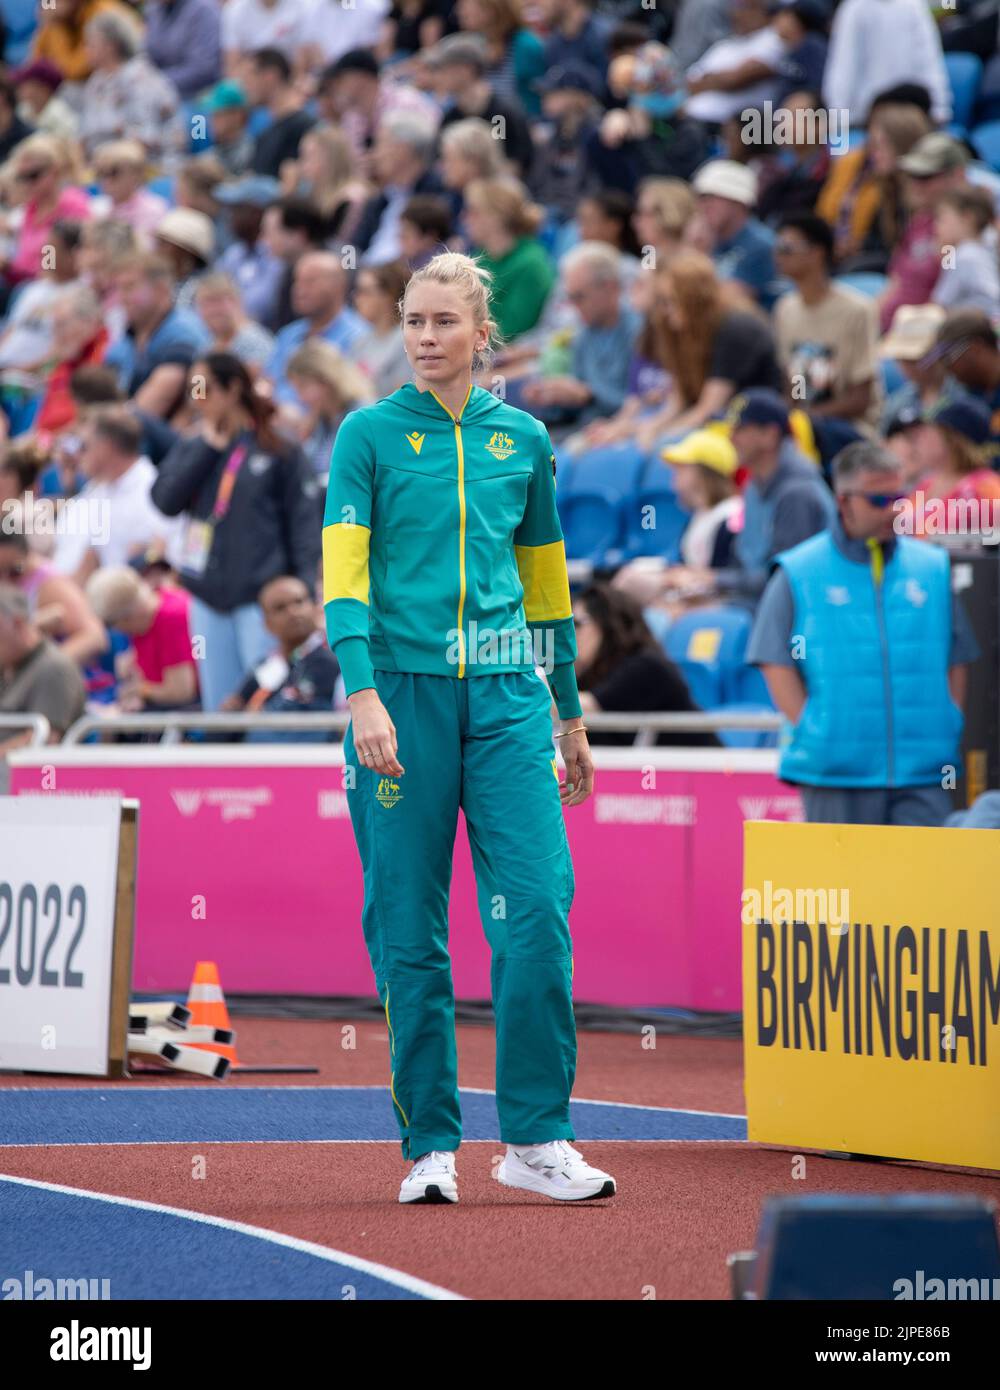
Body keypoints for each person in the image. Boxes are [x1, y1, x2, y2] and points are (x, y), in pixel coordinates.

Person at [323, 249, 613, 1203]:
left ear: (483, 335)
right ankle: (431, 1146)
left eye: (446, 323)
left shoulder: (523, 439)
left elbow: (547, 588)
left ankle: (536, 1141)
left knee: (536, 912)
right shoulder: (365, 436)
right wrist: (362, 692)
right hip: (399, 699)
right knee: (408, 925)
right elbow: (344, 579)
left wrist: (568, 710)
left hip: (508, 700)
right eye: (413, 322)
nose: (426, 339)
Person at [748, 441, 976, 825]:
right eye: (878, 499)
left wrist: (948, 718)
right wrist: (813, 728)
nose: (892, 510)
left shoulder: (932, 567)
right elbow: (774, 659)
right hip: (835, 774)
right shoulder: (798, 570)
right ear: (844, 501)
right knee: (842, 887)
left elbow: (958, 654)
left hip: (923, 773)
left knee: (922, 885)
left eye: (899, 498)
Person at [150, 351, 321, 711]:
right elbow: (165, 500)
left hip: (261, 602)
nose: (197, 398)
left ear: (233, 389)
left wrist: (302, 592)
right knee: (220, 709)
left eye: (205, 388)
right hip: (208, 597)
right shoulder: (196, 444)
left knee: (262, 703)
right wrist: (209, 449)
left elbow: (304, 525)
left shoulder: (278, 448)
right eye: (191, 389)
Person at [574, 583, 721, 748]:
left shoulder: (646, 666)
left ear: (608, 624)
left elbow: (584, 708)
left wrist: (540, 691)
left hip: (701, 768)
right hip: (660, 769)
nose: (570, 634)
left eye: (577, 624)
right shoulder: (590, 673)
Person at [772, 212, 882, 433]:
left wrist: (803, 419)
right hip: (805, 428)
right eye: (777, 248)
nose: (778, 255)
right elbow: (794, 387)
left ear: (817, 253)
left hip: (849, 430)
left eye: (787, 248)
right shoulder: (785, 309)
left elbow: (861, 399)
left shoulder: (856, 310)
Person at [53, 405, 180, 582]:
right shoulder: (95, 490)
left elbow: (163, 561)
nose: (77, 455)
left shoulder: (153, 492)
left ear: (106, 446)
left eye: (83, 445)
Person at [521, 241, 638, 431]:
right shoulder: (584, 334)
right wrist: (553, 397)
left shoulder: (638, 332)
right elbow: (578, 406)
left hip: (621, 432)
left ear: (610, 288)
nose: (574, 306)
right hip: (584, 430)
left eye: (580, 297)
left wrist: (588, 394)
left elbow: (642, 403)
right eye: (570, 298)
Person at [221, 573, 342, 740]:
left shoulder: (335, 660)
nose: (292, 612)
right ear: (267, 624)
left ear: (315, 607)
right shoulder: (263, 667)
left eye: (299, 602)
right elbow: (230, 721)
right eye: (280, 608)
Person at [879, 133, 969, 334]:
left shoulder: (966, 229)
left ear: (957, 175)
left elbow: (948, 298)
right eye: (912, 176)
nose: (915, 185)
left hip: (929, 340)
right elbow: (895, 282)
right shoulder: (919, 222)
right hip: (892, 333)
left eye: (925, 177)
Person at [105, 253, 210, 418]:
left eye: (130, 287)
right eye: (119, 289)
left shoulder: (184, 332)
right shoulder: (125, 340)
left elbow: (147, 410)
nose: (122, 297)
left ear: (161, 289)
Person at [85, 564, 199, 710]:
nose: (119, 631)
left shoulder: (170, 619)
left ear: (127, 618)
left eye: (113, 624)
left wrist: (140, 690)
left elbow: (182, 691)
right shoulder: (149, 616)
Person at [78, 8, 185, 161]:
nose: (86, 50)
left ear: (111, 46)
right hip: (105, 166)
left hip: (148, 166)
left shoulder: (140, 79)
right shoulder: (95, 82)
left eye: (91, 43)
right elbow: (85, 135)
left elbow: (145, 140)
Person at [0, 512, 106, 666]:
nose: (5, 580)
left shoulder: (47, 584)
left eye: (15, 570)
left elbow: (95, 637)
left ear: (27, 556)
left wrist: (39, 672)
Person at [823, 0, 951, 126]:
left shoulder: (914, 6)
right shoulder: (854, 9)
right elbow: (843, 68)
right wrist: (838, 114)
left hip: (910, 112)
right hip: (864, 118)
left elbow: (929, 62)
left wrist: (939, 109)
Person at [426, 33, 535, 178]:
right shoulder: (451, 117)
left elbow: (512, 165)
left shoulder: (500, 114)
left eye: (444, 69)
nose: (438, 76)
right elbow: (438, 162)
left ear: (466, 70)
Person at [265, 251, 368, 405]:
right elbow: (269, 381)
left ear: (339, 285)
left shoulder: (360, 337)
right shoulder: (288, 334)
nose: (299, 290)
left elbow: (350, 397)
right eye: (297, 281)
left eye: (310, 281)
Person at [462, 177, 554, 341]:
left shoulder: (532, 264)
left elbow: (509, 331)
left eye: (473, 211)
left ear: (496, 217)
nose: (464, 217)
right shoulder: (480, 256)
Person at [0, 584, 86, 748]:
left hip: (31, 771)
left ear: (18, 624)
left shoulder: (53, 668)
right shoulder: (8, 664)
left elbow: (45, 739)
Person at [3, 134, 91, 290]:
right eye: (22, 177)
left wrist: (11, 268)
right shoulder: (31, 208)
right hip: (24, 284)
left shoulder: (72, 206)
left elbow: (54, 267)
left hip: (55, 289)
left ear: (55, 171)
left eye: (33, 175)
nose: (27, 183)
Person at [691, 160, 781, 311]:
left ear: (738, 201)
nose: (704, 205)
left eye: (712, 197)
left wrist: (698, 254)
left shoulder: (760, 244)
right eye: (701, 198)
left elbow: (727, 303)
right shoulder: (713, 239)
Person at [683, 0, 787, 127]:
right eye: (735, 7)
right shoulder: (723, 46)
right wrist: (726, 78)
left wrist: (709, 79)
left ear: (762, 10)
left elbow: (739, 78)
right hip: (693, 121)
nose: (736, 14)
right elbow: (690, 84)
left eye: (744, 7)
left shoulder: (773, 39)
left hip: (742, 129)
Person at [284, 338, 375, 475]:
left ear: (326, 380)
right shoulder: (322, 419)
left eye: (303, 387)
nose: (301, 398)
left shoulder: (363, 416)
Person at [909, 398, 1000, 527]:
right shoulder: (927, 484)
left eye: (928, 431)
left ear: (951, 439)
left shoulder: (986, 487)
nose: (918, 439)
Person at [213, 175, 285, 326]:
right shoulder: (235, 253)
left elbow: (258, 306)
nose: (231, 216)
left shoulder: (277, 256)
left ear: (258, 213)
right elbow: (211, 290)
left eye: (238, 209)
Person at [245, 47, 315, 180]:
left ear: (270, 76)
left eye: (252, 75)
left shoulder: (305, 127)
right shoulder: (266, 132)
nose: (246, 85)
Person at [932, 186, 1000, 319]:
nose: (936, 226)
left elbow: (940, 303)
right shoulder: (984, 247)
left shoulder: (963, 254)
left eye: (942, 219)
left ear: (967, 218)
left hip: (977, 328)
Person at [353, 261, 414, 399]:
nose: (357, 298)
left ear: (388, 296)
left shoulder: (406, 341)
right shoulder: (360, 342)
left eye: (365, 292)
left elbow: (401, 398)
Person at [194, 272, 275, 369]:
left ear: (236, 301)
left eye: (217, 301)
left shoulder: (254, 341)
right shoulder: (207, 345)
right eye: (205, 303)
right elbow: (199, 382)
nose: (212, 310)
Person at [144, 0, 221, 101]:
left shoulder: (203, 9)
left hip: (197, 96)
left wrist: (157, 81)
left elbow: (203, 69)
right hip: (161, 93)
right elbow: (149, 53)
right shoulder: (154, 9)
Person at [91, 139, 169, 239]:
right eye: (101, 173)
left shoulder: (155, 209)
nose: (106, 180)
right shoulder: (96, 208)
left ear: (136, 174)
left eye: (113, 172)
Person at [11, 59, 78, 142]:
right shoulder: (23, 110)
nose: (20, 88)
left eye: (26, 84)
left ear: (43, 89)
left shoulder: (60, 115)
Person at [203, 80, 255, 178]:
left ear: (237, 115)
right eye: (212, 114)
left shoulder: (250, 152)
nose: (212, 121)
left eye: (218, 114)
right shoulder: (213, 152)